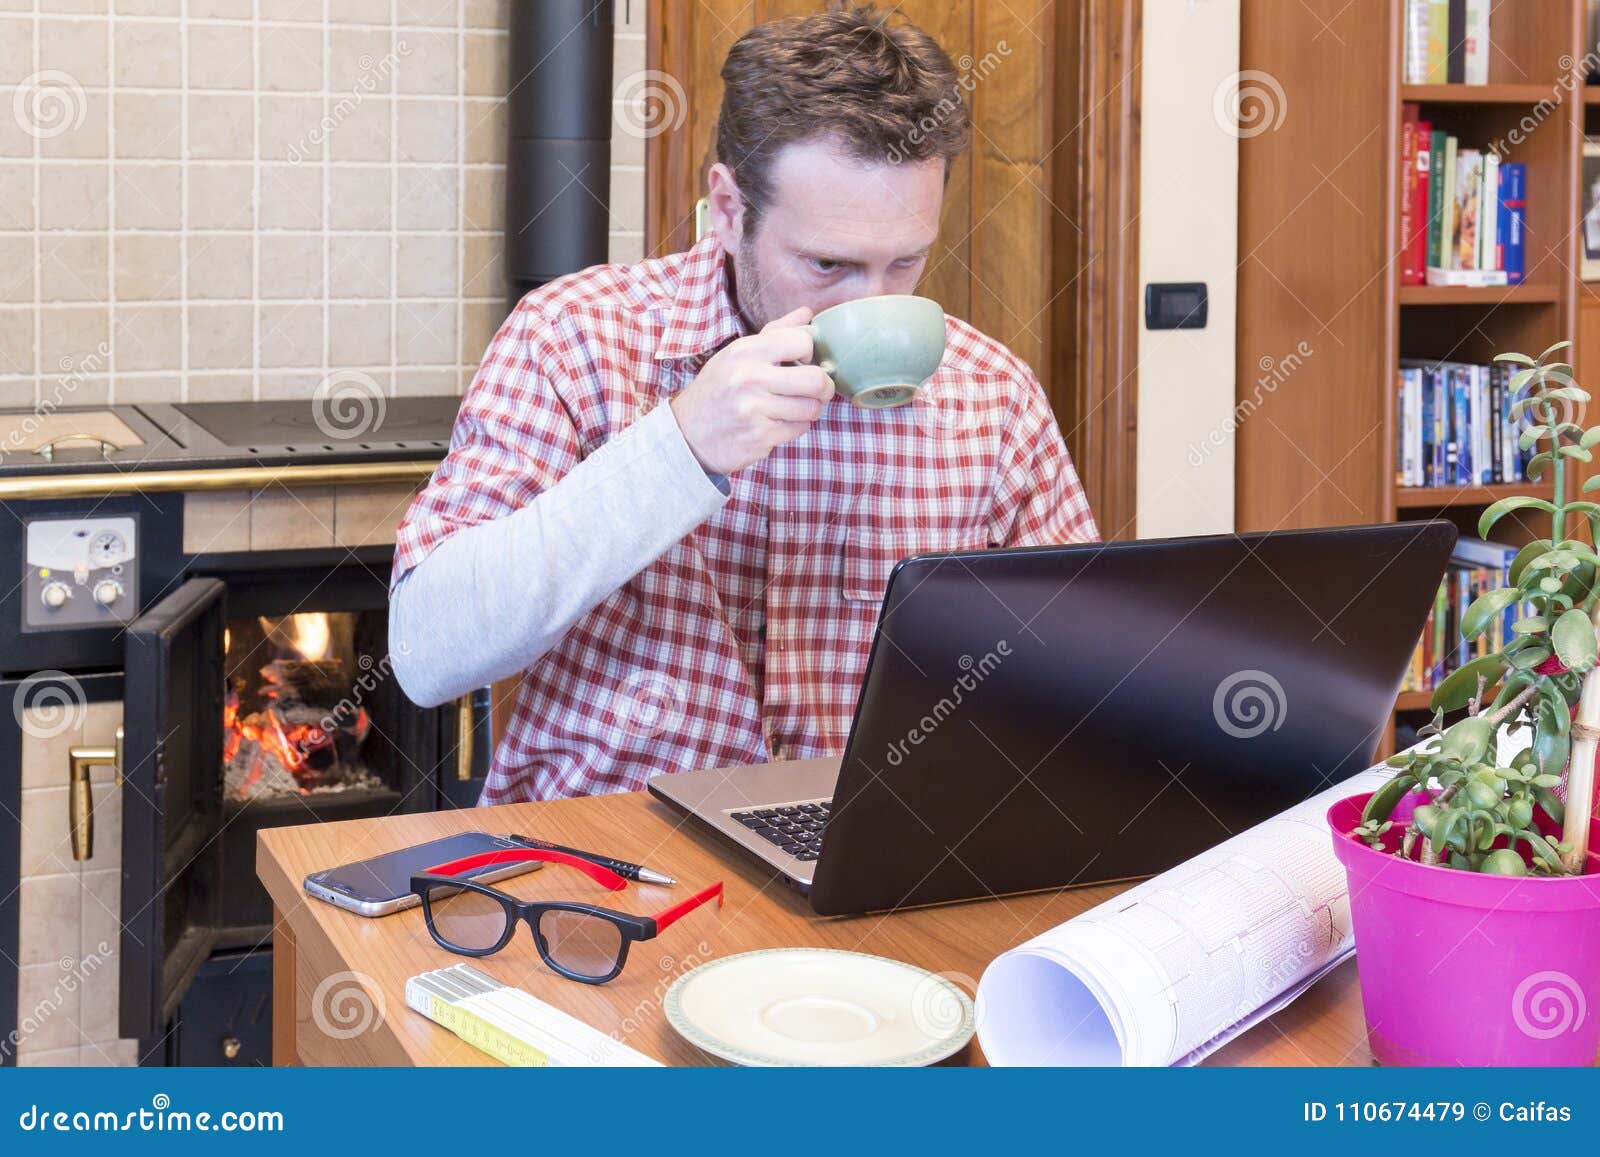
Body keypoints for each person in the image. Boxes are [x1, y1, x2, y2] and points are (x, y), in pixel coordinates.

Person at [389, 4, 1098, 803]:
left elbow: (1081, 684)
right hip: (599, 855)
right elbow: (427, 649)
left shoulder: (989, 396)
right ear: (728, 209)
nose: (867, 304)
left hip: (856, 851)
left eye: (905, 261)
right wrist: (679, 447)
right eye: (828, 263)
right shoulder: (575, 338)